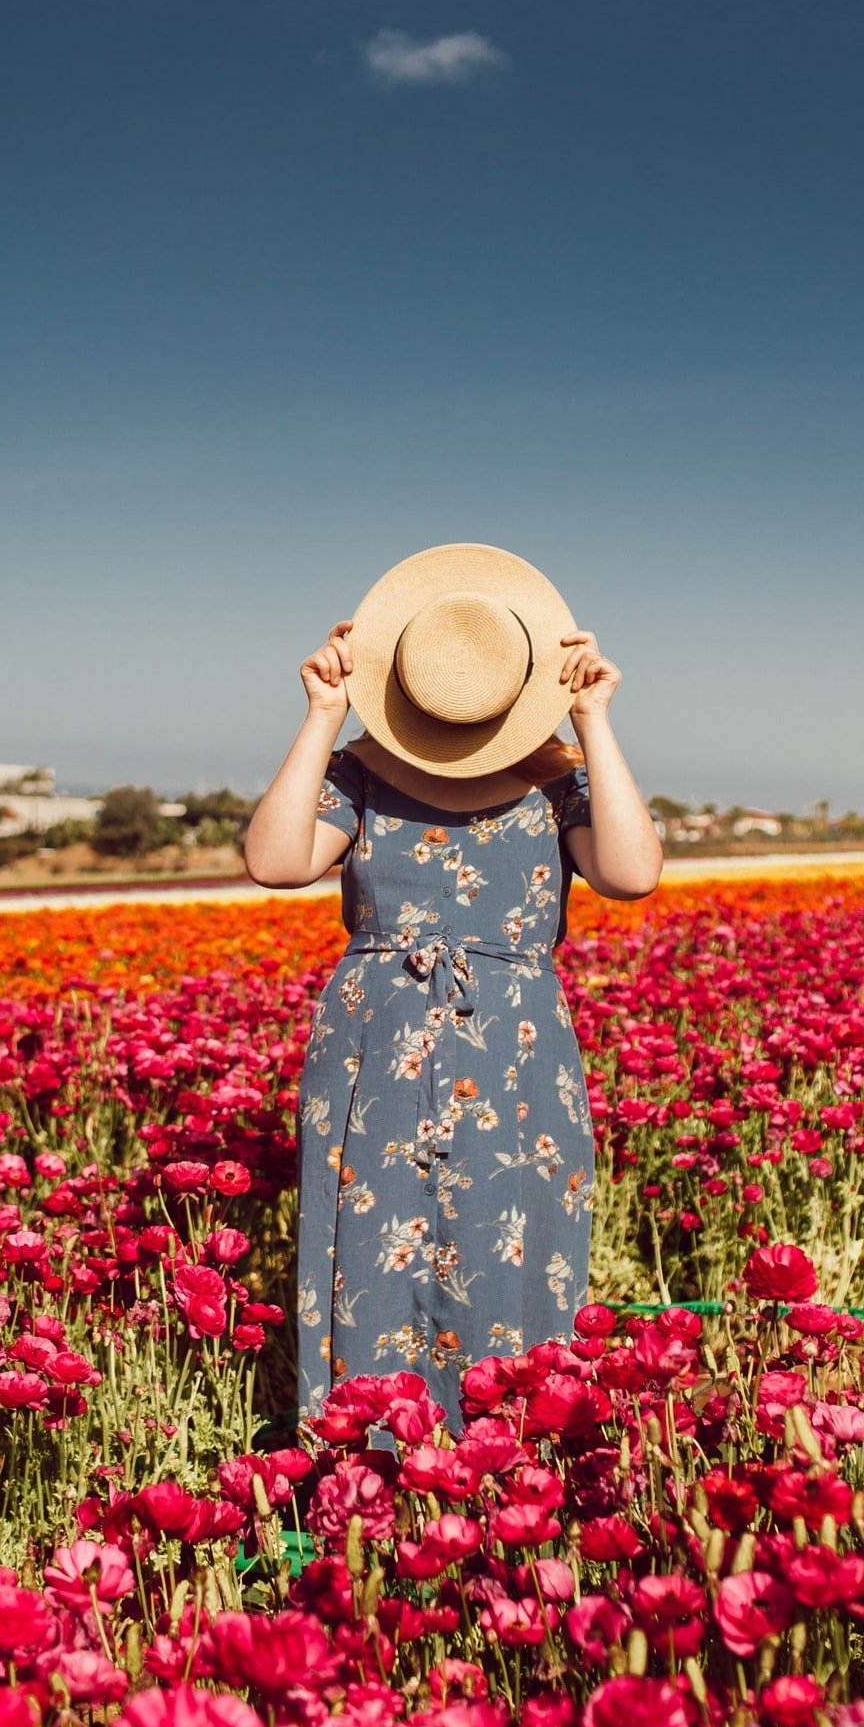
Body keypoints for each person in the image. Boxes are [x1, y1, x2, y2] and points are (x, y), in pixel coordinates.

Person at [245, 542, 662, 1425]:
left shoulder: (558, 786)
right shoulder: (359, 776)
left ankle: (502, 1450)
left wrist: (593, 721)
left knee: (513, 1234)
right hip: (376, 1043)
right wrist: (323, 714)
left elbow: (631, 874)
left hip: (514, 1049)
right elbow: (276, 861)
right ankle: (368, 1456)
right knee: (371, 1241)